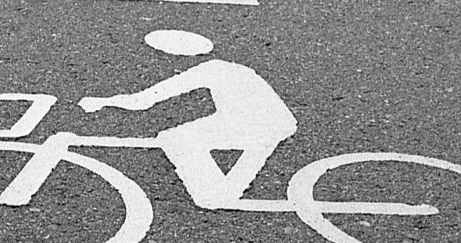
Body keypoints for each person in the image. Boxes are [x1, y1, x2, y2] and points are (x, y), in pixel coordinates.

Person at [79, 30, 297, 209]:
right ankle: (227, 190)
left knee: (178, 138)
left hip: (260, 123)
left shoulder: (211, 70)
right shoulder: (229, 67)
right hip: (270, 121)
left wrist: (104, 102)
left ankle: (217, 194)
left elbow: (145, 100)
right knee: (184, 137)